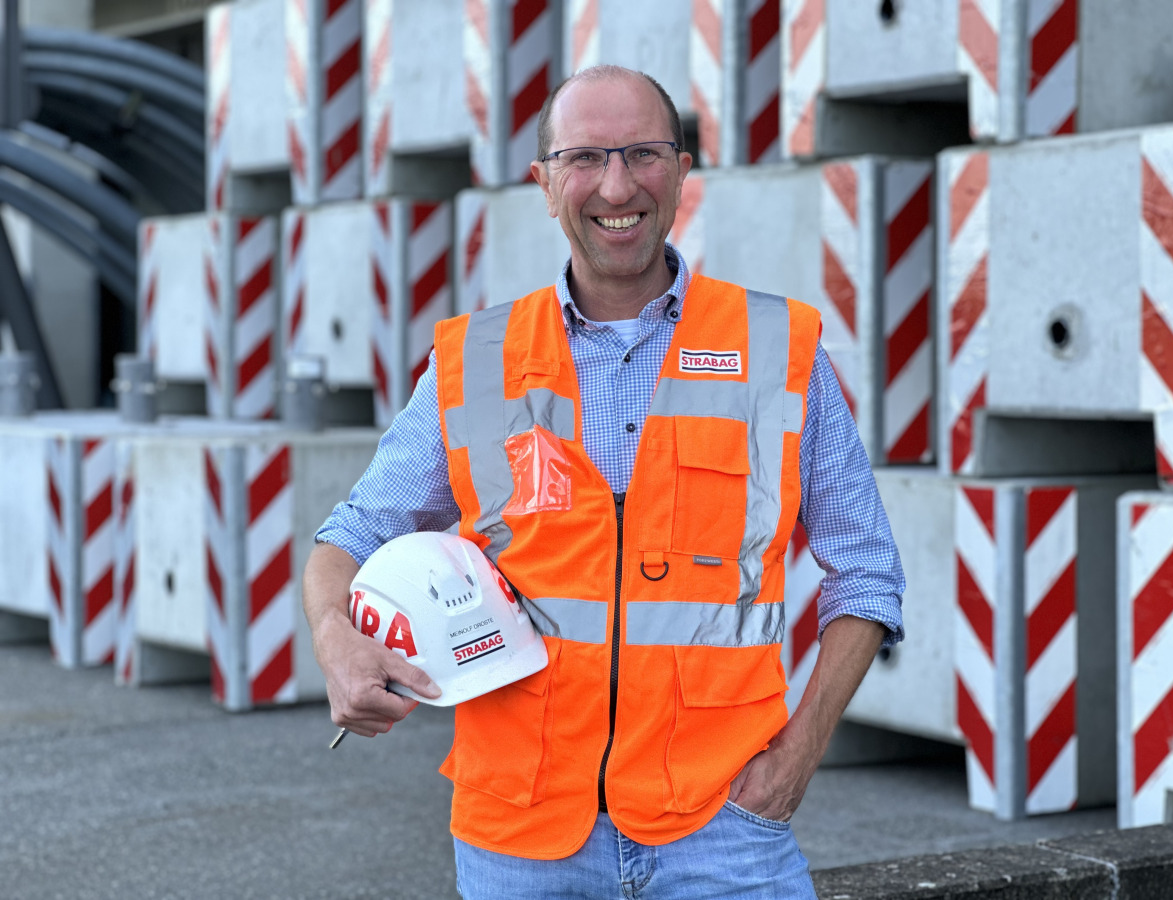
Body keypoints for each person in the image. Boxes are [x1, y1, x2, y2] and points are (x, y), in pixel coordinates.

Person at [303, 65, 904, 899]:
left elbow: (867, 572)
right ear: (545, 183)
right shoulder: (473, 362)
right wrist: (336, 641)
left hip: (721, 826)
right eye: (584, 158)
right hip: (519, 835)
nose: (616, 185)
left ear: (683, 172)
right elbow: (352, 535)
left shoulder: (780, 351)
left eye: (644, 153)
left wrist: (797, 756)